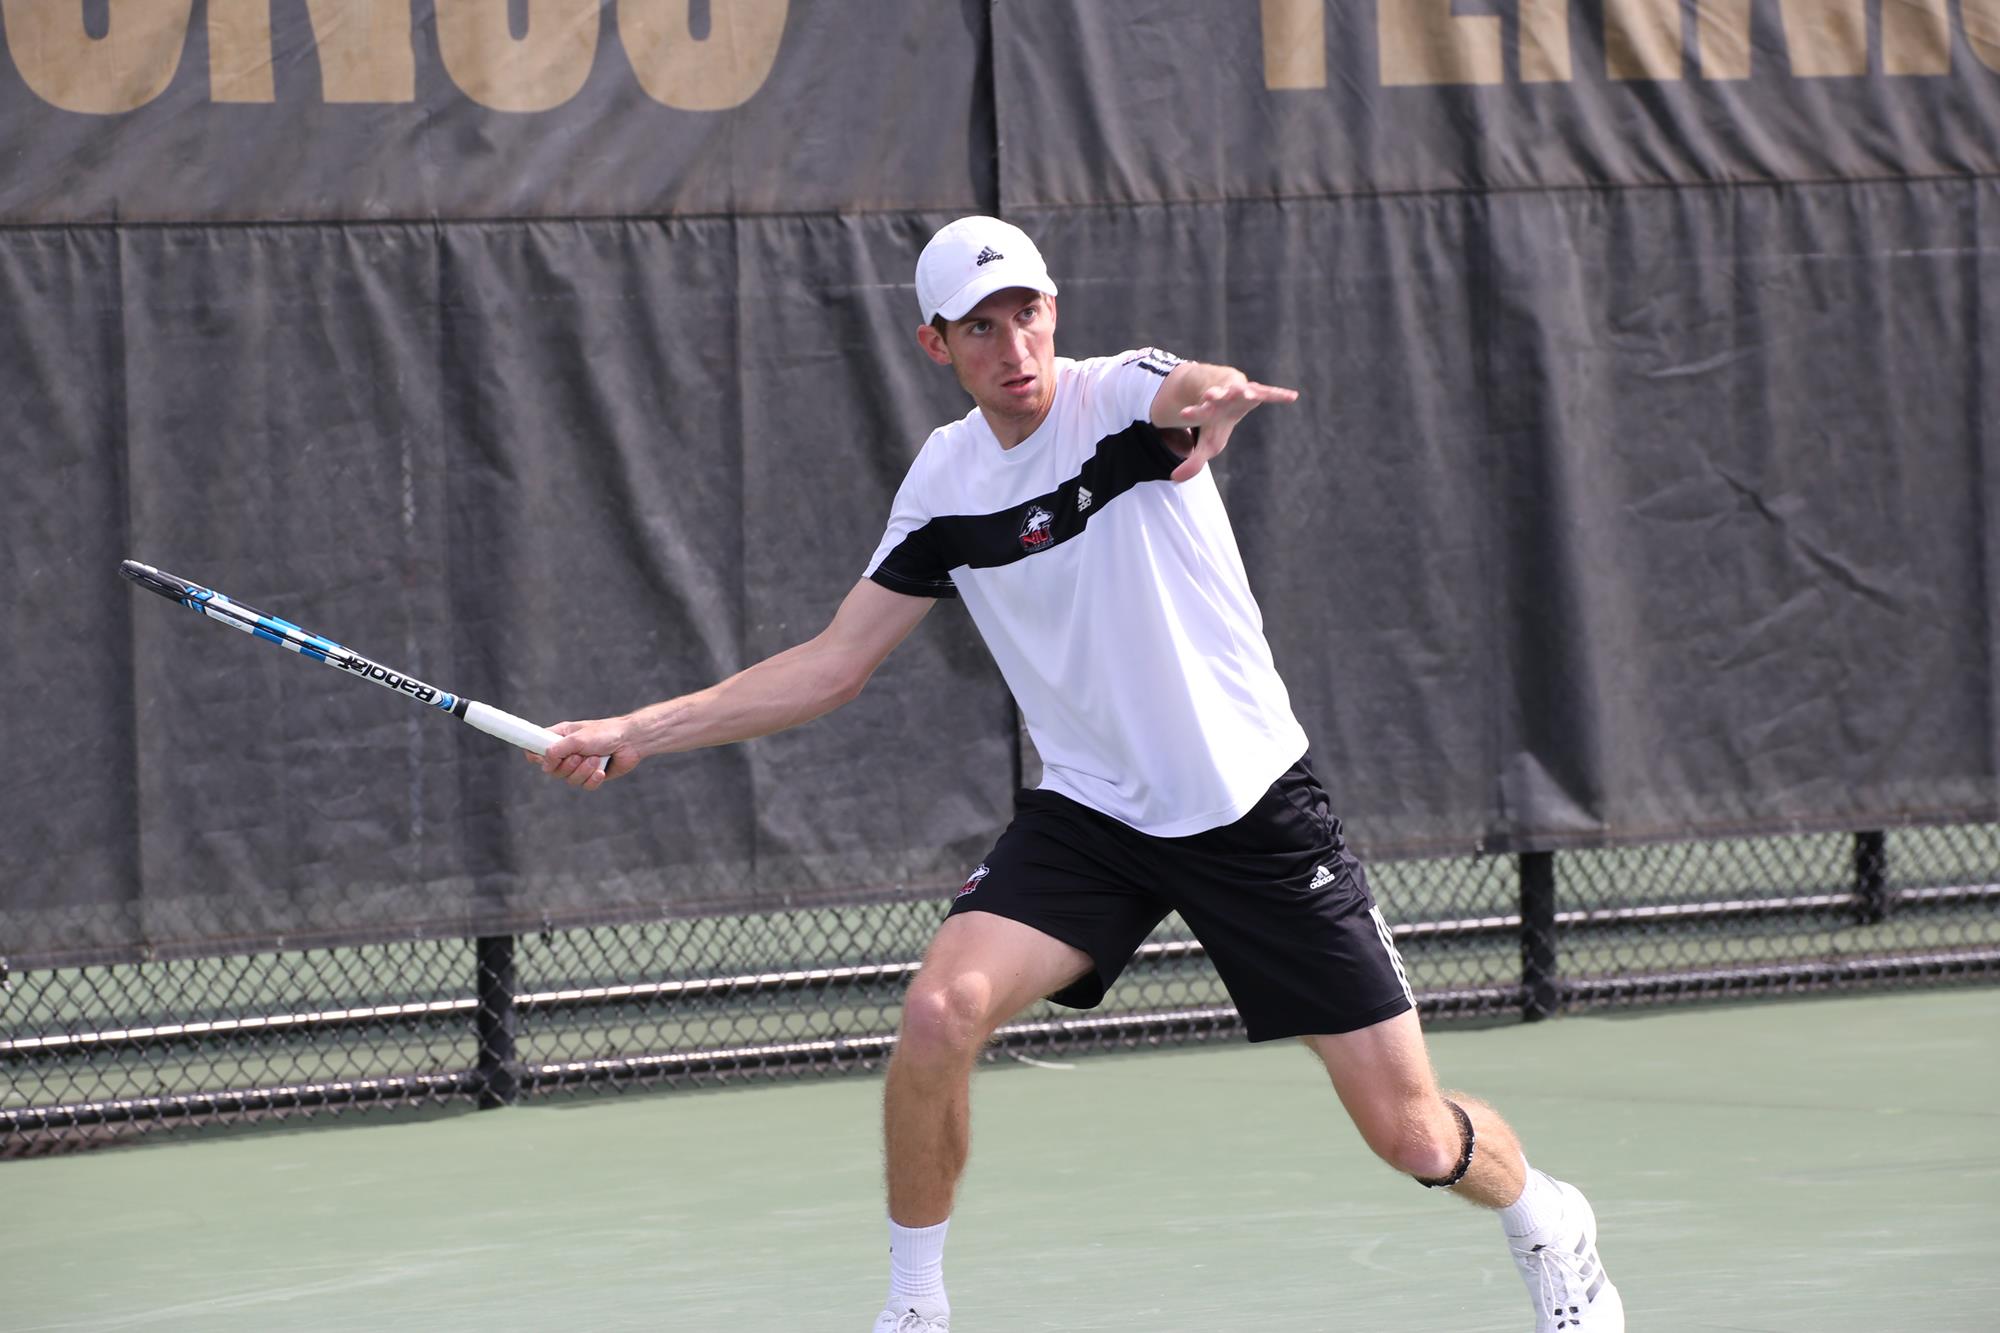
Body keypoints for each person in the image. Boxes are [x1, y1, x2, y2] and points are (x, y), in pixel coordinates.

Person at [534, 216, 1623, 1332]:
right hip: (1092, 813)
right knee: (938, 1012)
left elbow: (1184, 389)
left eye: (1028, 313)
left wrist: (1216, 397)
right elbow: (833, 662)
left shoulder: (1117, 397)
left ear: (1052, 311)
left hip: (1250, 809)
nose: (1014, 346)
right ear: (935, 346)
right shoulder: (946, 480)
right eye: (982, 328)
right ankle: (915, 1309)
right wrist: (640, 729)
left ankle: (1545, 1218)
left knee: (1412, 1136)